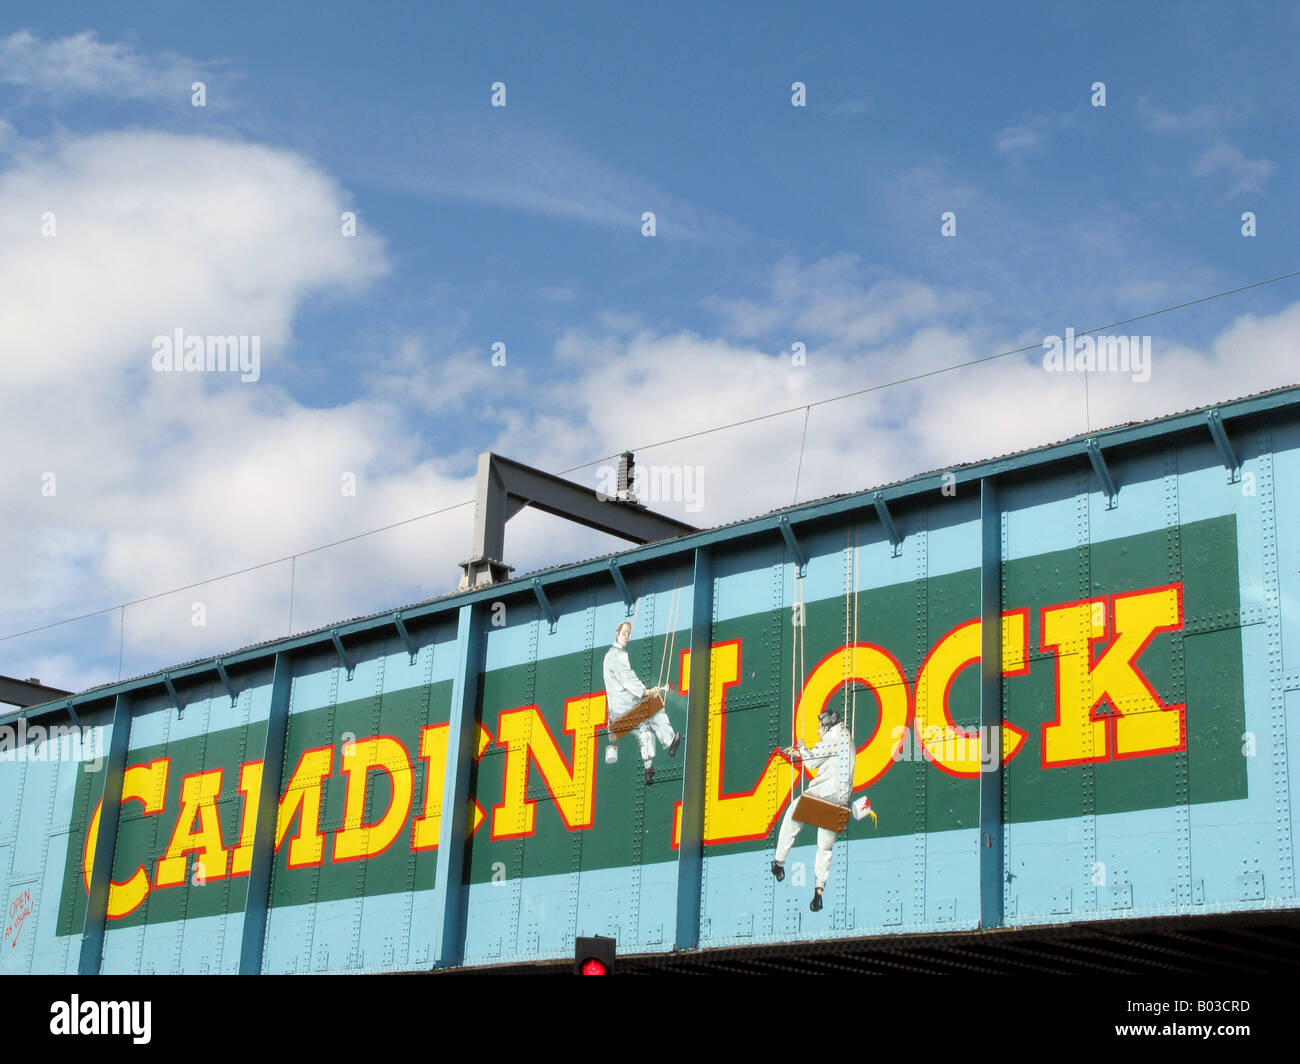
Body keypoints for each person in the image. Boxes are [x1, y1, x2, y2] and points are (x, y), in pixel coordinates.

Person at [770, 706, 876, 912]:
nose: (818, 731)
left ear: (827, 726)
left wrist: (800, 747)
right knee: (825, 847)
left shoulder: (832, 738)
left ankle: (778, 862)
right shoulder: (848, 739)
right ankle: (819, 890)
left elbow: (811, 763)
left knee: (793, 815)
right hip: (841, 801)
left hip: (824, 794)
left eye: (819, 727)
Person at [603, 620, 680, 784]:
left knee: (644, 729)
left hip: (616, 716)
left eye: (629, 634)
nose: (627, 637)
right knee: (655, 706)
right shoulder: (619, 656)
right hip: (626, 710)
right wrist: (645, 691)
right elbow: (628, 679)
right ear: (617, 634)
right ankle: (670, 740)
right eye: (624, 633)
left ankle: (648, 769)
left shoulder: (608, 656)